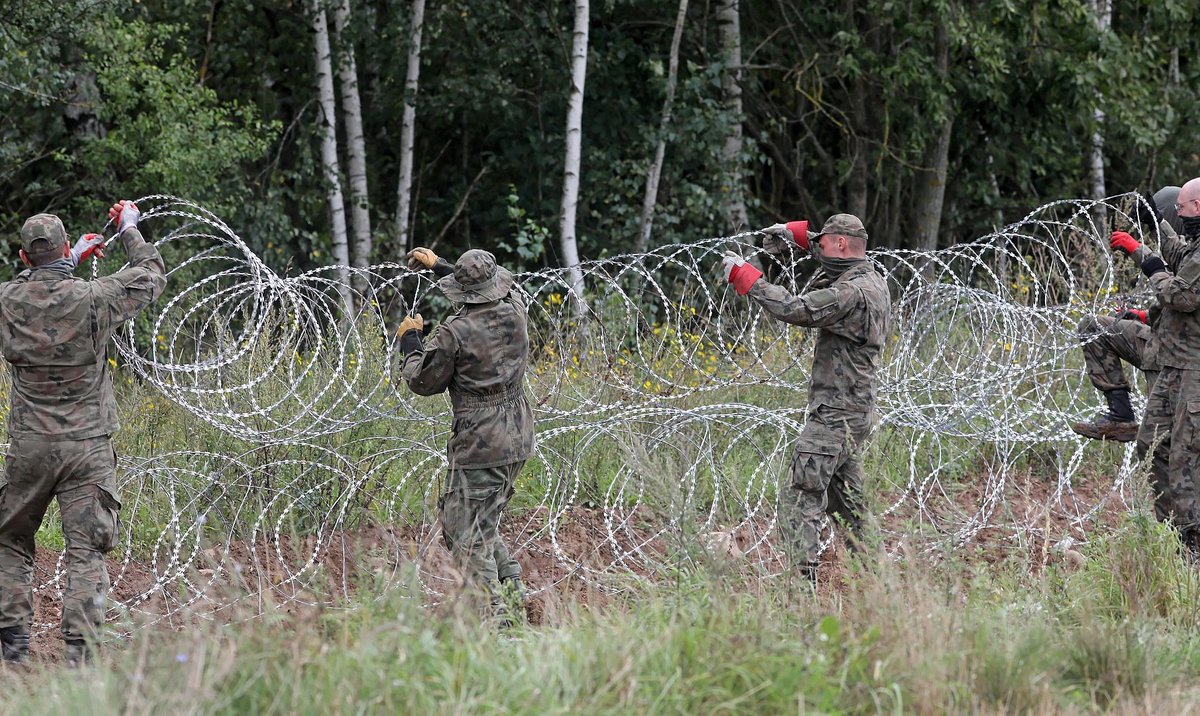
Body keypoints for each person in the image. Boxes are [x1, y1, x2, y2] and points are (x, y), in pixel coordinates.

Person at [0, 202, 166, 665]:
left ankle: (12, 644)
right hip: (88, 447)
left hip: (30, 445)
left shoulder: (7, 300)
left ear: (23, 256)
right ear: (64, 248)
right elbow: (151, 275)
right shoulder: (96, 297)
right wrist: (129, 229)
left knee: (10, 538)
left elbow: (33, 287)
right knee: (86, 549)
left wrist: (62, 263)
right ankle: (79, 652)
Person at [723, 214, 891, 581]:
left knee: (800, 500)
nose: (820, 248)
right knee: (851, 508)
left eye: (825, 242)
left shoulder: (851, 294)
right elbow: (833, 261)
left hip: (835, 416)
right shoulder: (872, 279)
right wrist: (799, 239)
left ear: (841, 244)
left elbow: (797, 308)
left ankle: (802, 590)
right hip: (852, 413)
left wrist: (747, 278)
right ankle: (880, 585)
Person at [398, 246, 534, 621]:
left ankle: (495, 620)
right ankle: (512, 598)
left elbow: (423, 381)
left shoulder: (455, 333)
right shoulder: (516, 308)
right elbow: (498, 288)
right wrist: (442, 266)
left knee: (466, 534)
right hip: (518, 432)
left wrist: (410, 340)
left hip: (481, 441)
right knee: (481, 523)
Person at [1110, 177, 1200, 553]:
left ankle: (1191, 543)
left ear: (1197, 207)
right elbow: (1180, 254)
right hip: (1176, 366)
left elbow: (1181, 297)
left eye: (1180, 209)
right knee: (1152, 443)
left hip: (1194, 371)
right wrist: (1155, 222)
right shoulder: (1195, 245)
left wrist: (1149, 265)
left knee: (1184, 458)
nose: (1178, 213)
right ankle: (1172, 529)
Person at [1072, 186, 1182, 442]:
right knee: (1094, 326)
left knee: (1160, 441)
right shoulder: (1181, 250)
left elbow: (1179, 296)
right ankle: (1120, 416)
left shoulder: (1192, 254)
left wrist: (1137, 250)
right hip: (1160, 341)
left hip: (1179, 356)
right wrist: (1143, 316)